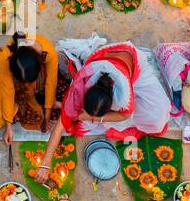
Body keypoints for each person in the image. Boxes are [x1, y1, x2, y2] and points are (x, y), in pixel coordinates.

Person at [35, 42, 170, 175]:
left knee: (157, 117)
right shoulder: (79, 85)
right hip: (104, 63)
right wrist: (45, 165)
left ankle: (63, 106)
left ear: (112, 104)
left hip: (134, 69)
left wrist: (96, 118)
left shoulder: (124, 95)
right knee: (79, 118)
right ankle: (63, 105)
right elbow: (59, 128)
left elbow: (125, 115)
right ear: (85, 93)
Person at [0, 33, 62, 140]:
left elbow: (51, 83)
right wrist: (8, 126)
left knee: (56, 95)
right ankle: (38, 102)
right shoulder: (6, 58)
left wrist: (47, 117)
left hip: (40, 82)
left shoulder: (49, 53)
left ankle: (46, 102)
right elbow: (8, 92)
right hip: (17, 87)